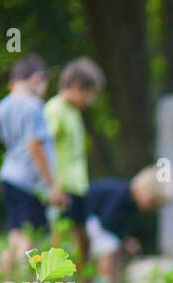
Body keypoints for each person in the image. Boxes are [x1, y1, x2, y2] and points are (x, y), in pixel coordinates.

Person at [0, 54, 65, 276]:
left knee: (14, 235)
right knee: (29, 239)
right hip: (27, 181)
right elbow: (35, 146)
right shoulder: (34, 107)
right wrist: (51, 185)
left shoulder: (1, 107)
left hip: (7, 175)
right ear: (37, 78)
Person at [44, 57, 105, 266]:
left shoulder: (74, 112)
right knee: (60, 241)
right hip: (63, 187)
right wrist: (52, 186)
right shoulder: (55, 109)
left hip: (78, 186)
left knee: (82, 241)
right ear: (78, 87)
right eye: (91, 94)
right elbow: (45, 146)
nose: (92, 100)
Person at [83, 167, 173, 283]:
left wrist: (124, 240)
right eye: (153, 203)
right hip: (91, 216)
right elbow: (108, 223)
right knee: (109, 249)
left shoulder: (131, 204)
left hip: (99, 222)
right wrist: (125, 241)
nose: (152, 209)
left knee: (114, 248)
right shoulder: (122, 195)